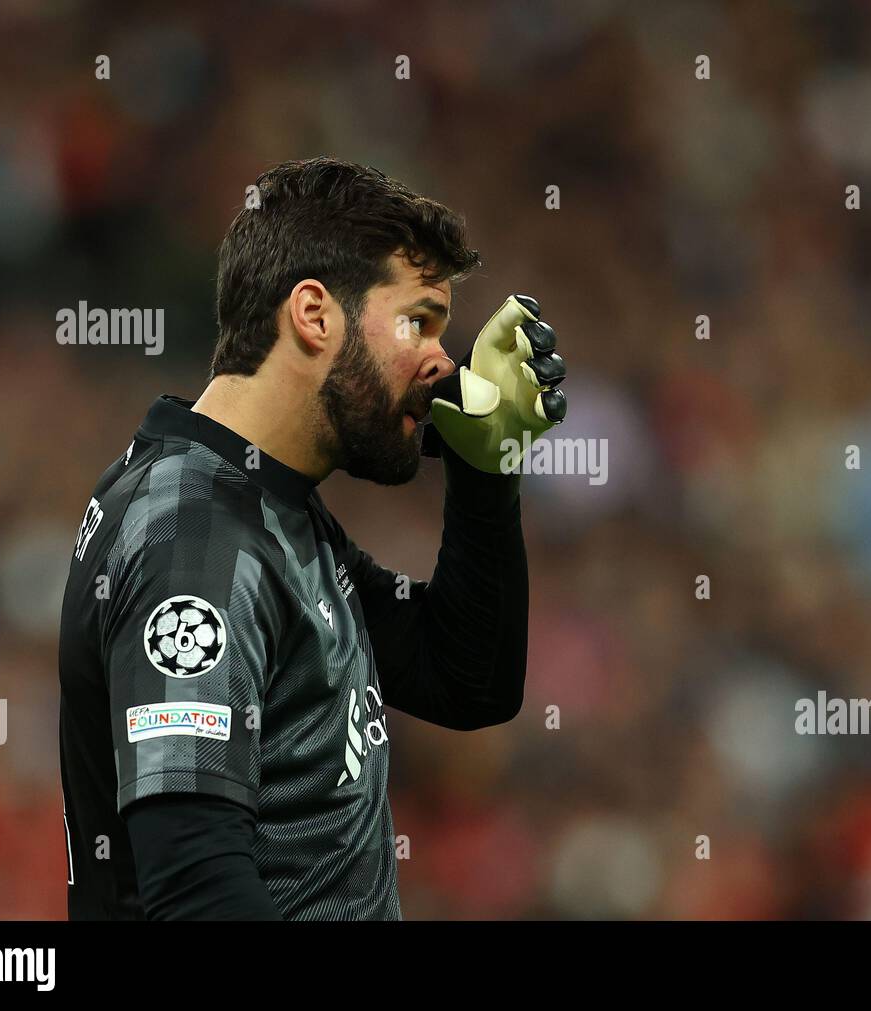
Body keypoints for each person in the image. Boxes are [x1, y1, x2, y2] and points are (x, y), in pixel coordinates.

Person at [57, 157, 567, 920]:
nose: (443, 360)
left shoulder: (263, 501)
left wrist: (486, 469)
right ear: (314, 314)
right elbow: (198, 893)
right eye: (419, 320)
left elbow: (465, 679)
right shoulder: (195, 539)